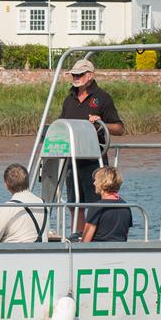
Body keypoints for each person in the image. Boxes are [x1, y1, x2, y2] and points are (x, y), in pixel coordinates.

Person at [59, 59, 125, 233]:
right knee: (74, 203)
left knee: (95, 204)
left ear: (90, 76)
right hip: (71, 160)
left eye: (79, 74)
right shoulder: (69, 99)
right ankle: (78, 237)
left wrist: (102, 123)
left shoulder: (103, 98)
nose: (76, 77)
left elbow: (119, 128)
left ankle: (96, 238)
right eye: (74, 74)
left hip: (94, 161)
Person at [0, 164, 48, 243]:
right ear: (28, 181)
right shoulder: (43, 203)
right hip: (43, 252)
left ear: (6, 185)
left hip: (14, 252)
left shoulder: (7, 207)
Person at [82, 166, 132, 242]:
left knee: (74, 237)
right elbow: (125, 235)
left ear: (102, 183)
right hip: (119, 250)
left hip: (98, 251)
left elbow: (85, 241)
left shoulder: (96, 207)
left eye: (96, 180)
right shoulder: (125, 206)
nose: (94, 183)